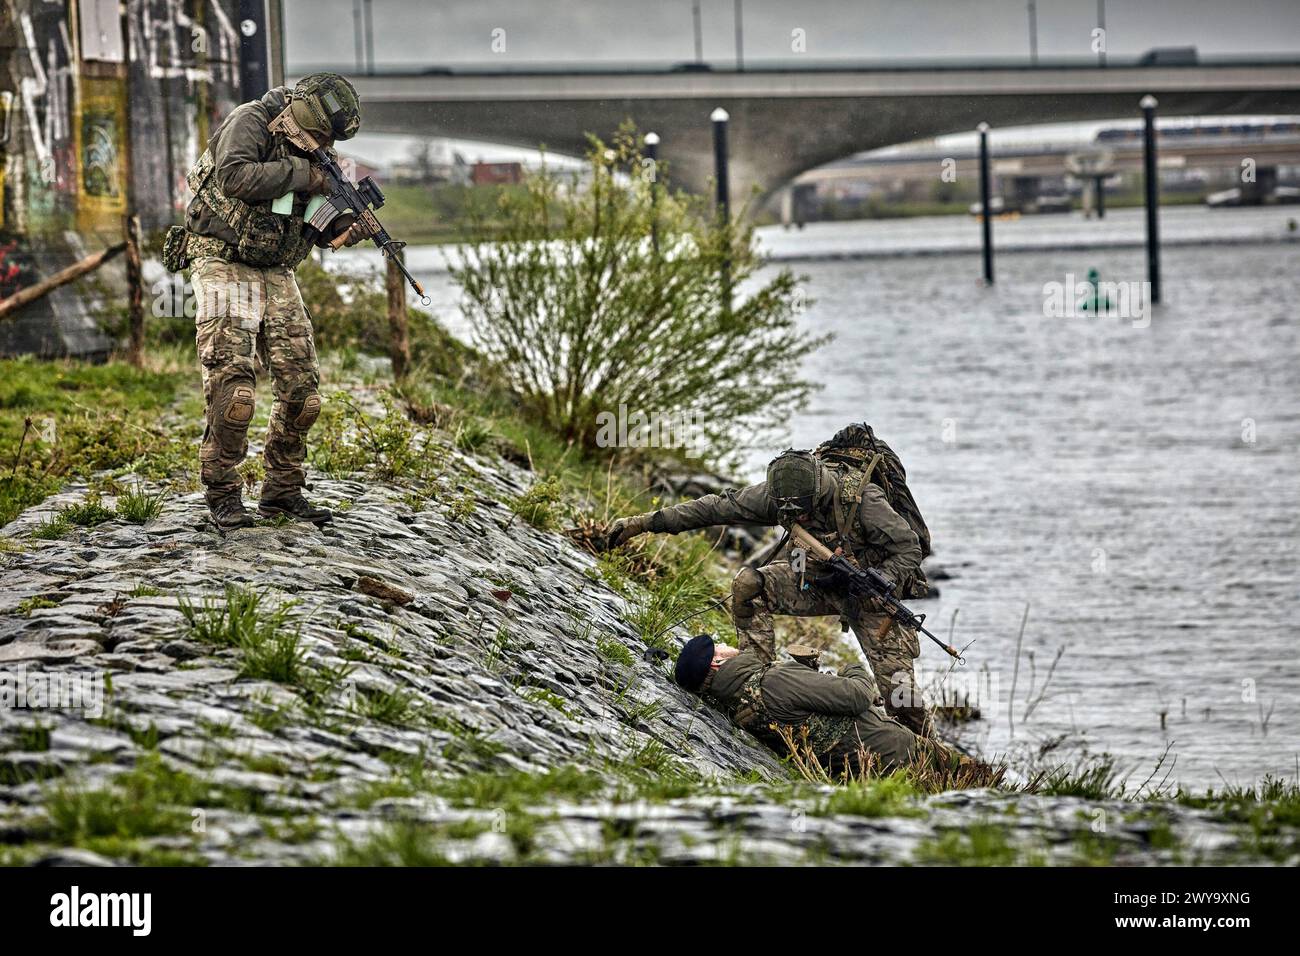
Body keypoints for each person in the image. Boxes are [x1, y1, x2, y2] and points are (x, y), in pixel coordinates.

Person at [600, 448, 930, 734]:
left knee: (899, 693)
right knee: (749, 585)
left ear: (818, 493)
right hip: (813, 584)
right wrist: (641, 523)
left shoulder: (862, 501)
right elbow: (714, 508)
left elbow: (908, 548)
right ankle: (755, 686)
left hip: (869, 596)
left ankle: (929, 756)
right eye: (790, 512)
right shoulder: (777, 497)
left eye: (803, 511)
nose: (796, 517)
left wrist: (881, 579)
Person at [182, 73, 368, 530]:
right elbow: (233, 177)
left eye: (330, 139)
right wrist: (308, 176)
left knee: (304, 393)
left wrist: (338, 229)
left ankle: (282, 491)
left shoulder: (319, 154)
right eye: (321, 132)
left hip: (276, 269)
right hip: (223, 259)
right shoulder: (252, 121)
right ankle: (223, 491)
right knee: (236, 391)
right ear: (304, 111)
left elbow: (307, 222)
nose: (324, 142)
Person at [674, 633, 920, 774]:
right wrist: (852, 669)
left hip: (863, 770)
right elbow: (857, 695)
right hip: (901, 751)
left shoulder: (730, 703)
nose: (726, 644)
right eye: (719, 646)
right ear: (716, 662)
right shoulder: (774, 680)